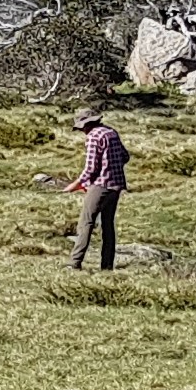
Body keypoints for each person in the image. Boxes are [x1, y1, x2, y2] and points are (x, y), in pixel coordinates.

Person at [63, 108, 129, 270]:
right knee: (108, 225)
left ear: (87, 125)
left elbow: (91, 168)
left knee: (86, 223)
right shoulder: (111, 132)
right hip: (116, 185)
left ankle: (74, 262)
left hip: (100, 185)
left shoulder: (94, 136)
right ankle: (107, 265)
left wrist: (75, 184)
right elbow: (125, 156)